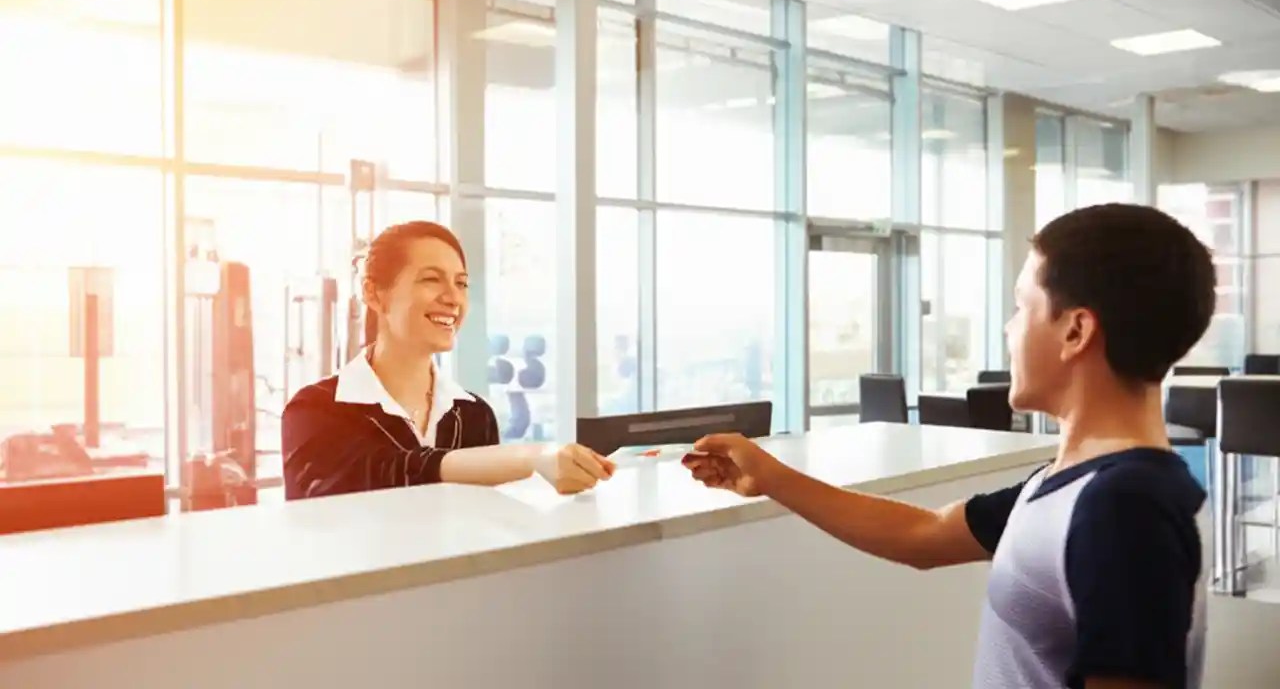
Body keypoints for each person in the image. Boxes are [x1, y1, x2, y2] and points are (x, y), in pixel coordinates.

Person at [684, 203, 1214, 689]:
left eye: (1021, 307)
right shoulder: (1074, 482)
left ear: (1076, 330)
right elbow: (924, 534)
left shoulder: (1124, 507)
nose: (1009, 330)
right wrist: (770, 476)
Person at [282, 221, 614, 500]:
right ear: (374, 294)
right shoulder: (315, 410)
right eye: (431, 279)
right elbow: (380, 471)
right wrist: (531, 458)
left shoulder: (473, 415)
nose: (453, 298)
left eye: (461, 283)